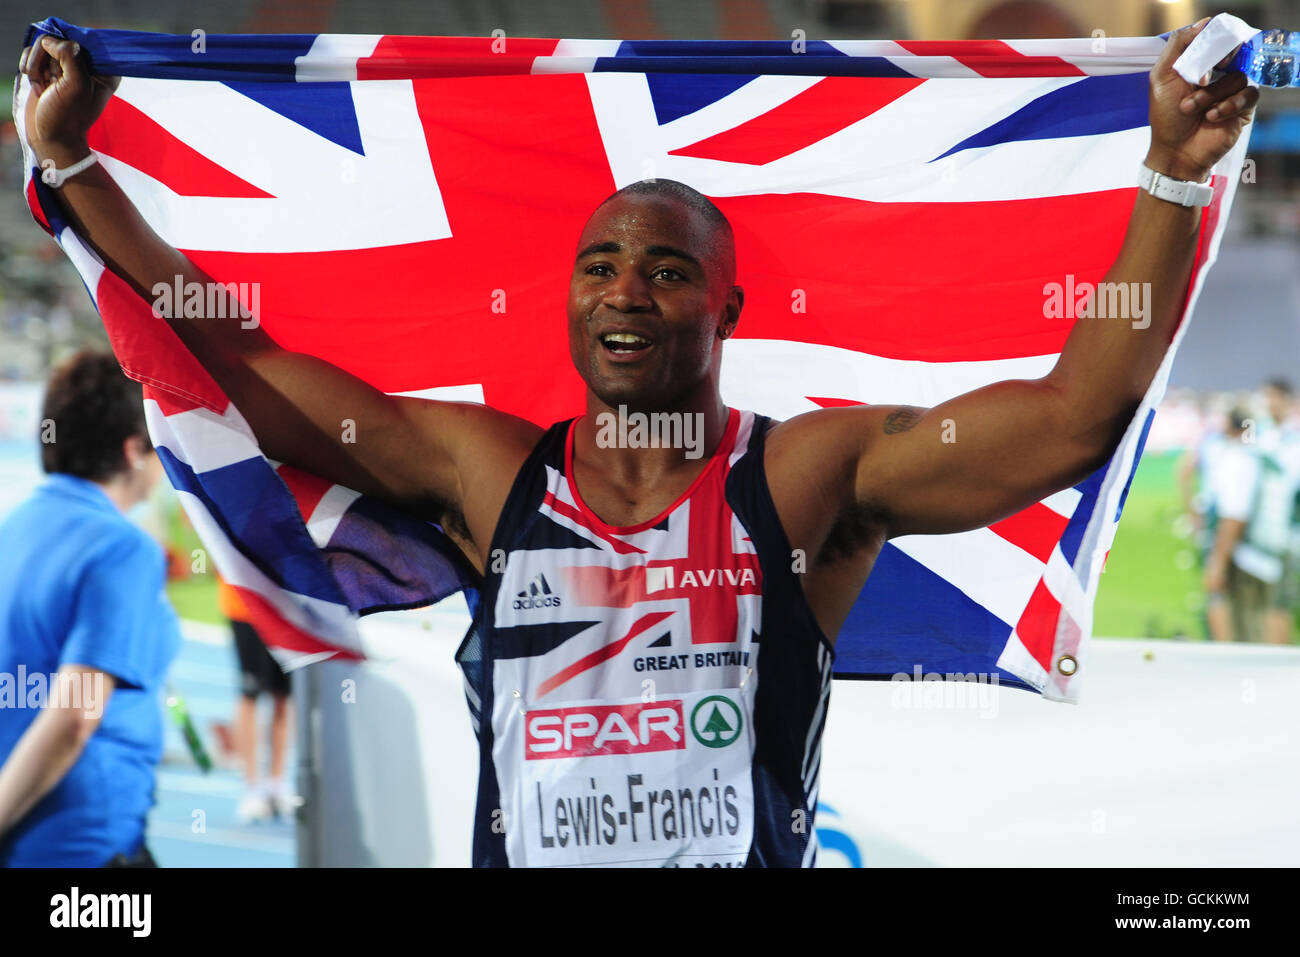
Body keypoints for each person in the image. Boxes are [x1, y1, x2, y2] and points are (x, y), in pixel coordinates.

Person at [19, 20, 1257, 866]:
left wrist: (1171, 175)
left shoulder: (803, 476)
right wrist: (73, 166)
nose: (624, 292)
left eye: (667, 272)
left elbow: (1067, 419)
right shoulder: (487, 471)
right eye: (600, 266)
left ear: (727, 308)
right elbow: (242, 366)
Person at [0, 351, 182, 866]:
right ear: (132, 450)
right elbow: (75, 716)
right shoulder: (123, 549)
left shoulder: (12, 528)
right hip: (77, 846)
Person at [214, 578, 294, 823]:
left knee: (284, 695)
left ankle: (277, 784)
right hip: (245, 604)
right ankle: (251, 787)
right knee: (250, 692)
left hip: (286, 606)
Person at [1258, 378, 1300, 644]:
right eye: (1268, 398)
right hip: (1261, 532)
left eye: (1276, 398)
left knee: (1281, 599)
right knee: (1271, 599)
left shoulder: (1293, 440)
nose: (1271, 404)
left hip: (1289, 533)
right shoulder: (1262, 437)